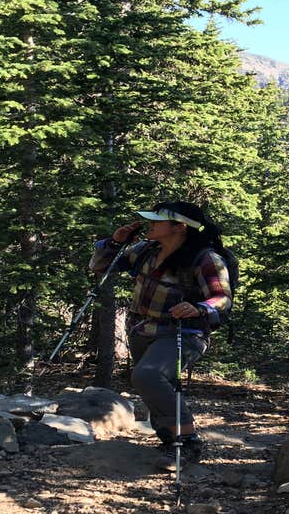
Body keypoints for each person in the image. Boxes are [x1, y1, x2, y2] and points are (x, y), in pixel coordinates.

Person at [89, 201, 232, 471]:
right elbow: (100, 266)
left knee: (148, 375)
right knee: (154, 385)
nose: (150, 224)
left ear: (180, 227)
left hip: (184, 332)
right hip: (143, 330)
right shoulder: (146, 250)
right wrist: (115, 242)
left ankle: (188, 443)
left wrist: (199, 307)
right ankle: (170, 441)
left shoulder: (205, 259)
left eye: (157, 220)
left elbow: (222, 298)